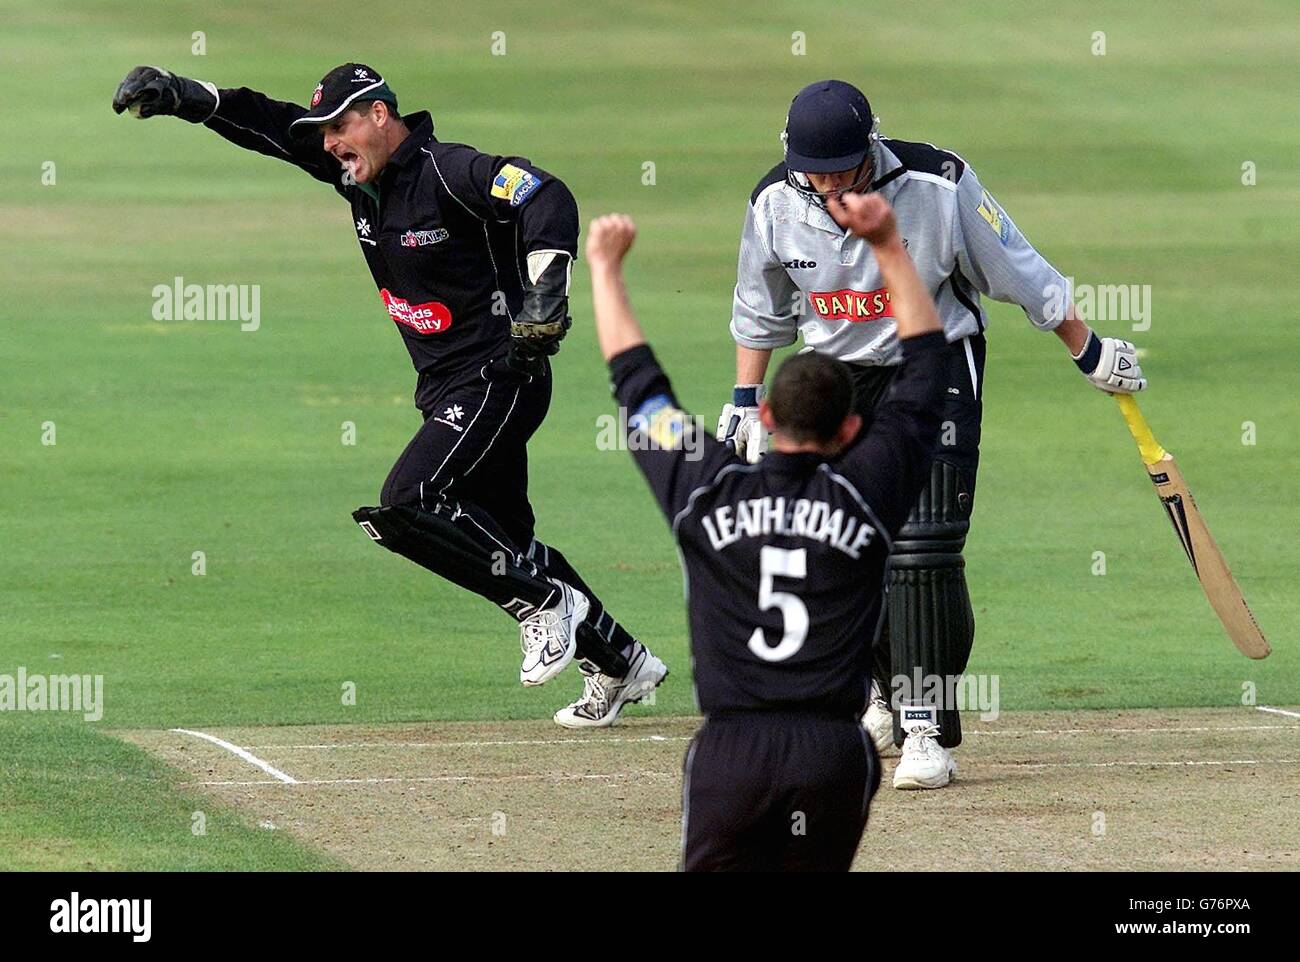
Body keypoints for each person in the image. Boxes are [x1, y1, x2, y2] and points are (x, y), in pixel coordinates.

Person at [111, 63, 667, 725]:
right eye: (325, 134)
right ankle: (621, 662)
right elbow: (268, 123)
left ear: (381, 115)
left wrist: (546, 294)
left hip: (502, 376)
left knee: (411, 500)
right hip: (444, 389)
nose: (329, 144)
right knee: (504, 542)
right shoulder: (355, 177)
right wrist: (182, 95)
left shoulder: (447, 170)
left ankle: (547, 605)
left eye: (340, 126)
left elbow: (545, 195)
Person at [718, 80, 1148, 788]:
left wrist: (1088, 348)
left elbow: (1020, 270)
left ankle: (925, 729)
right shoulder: (773, 200)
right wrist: (743, 398)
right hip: (833, 375)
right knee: (844, 542)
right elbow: (759, 307)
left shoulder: (938, 182)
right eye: (812, 169)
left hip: (935, 361)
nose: (826, 183)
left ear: (871, 148)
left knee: (924, 547)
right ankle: (883, 692)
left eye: (841, 168)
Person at [586, 191, 946, 871]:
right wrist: (890, 244)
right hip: (834, 753)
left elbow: (642, 392)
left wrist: (605, 269)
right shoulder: (869, 492)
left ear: (769, 416)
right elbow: (928, 371)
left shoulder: (706, 489)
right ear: (849, 429)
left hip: (733, 755)